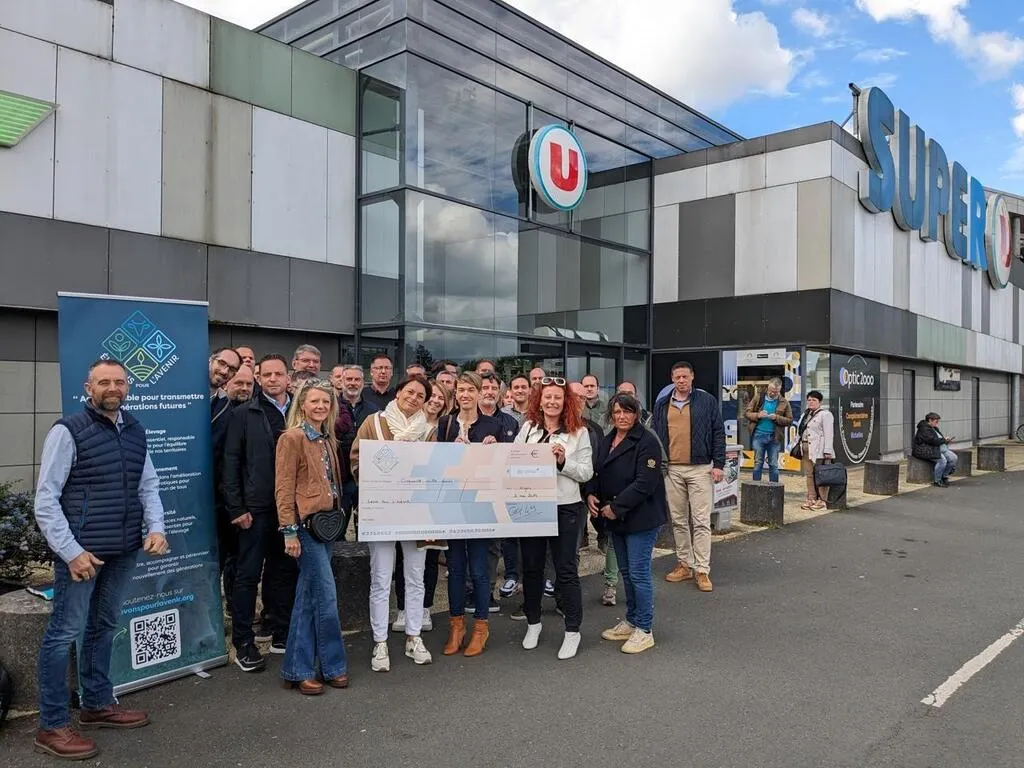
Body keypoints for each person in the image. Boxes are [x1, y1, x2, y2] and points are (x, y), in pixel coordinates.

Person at [33, 360, 169, 760]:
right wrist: (71, 552)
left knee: (103, 625)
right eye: (104, 382)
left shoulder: (135, 429)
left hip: (123, 548)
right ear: (88, 388)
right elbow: (45, 499)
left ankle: (96, 703)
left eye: (119, 382)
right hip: (82, 554)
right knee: (63, 634)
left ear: (128, 387)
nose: (113, 387)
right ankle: (52, 725)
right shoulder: (67, 431)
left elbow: (149, 485)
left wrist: (156, 527)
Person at [350, 377, 437, 671]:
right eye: (409, 392)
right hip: (382, 512)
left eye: (420, 395)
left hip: (416, 513)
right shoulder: (374, 423)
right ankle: (380, 641)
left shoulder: (429, 430)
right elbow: (355, 459)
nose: (413, 398)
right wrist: (382, 474)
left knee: (415, 576)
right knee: (381, 577)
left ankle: (413, 636)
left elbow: (434, 469)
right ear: (398, 393)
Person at [222, 354, 300, 670]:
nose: (272, 379)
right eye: (265, 374)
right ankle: (243, 642)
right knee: (247, 576)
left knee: (284, 573)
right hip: (255, 510)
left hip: (290, 510)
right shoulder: (243, 414)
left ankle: (282, 633)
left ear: (288, 377)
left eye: (277, 374)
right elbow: (230, 463)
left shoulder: (300, 410)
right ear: (258, 377)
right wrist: (236, 507)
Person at [275, 379, 348, 695]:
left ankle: (297, 668)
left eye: (326, 402)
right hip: (304, 530)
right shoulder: (292, 438)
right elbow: (283, 488)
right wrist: (289, 531)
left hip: (327, 526)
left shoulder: (328, 440)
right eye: (315, 401)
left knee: (307, 598)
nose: (321, 406)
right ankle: (333, 665)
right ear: (302, 404)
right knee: (327, 597)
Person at [515, 376, 594, 660]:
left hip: (565, 507)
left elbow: (586, 472)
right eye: (547, 397)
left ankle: (572, 630)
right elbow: (513, 462)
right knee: (533, 569)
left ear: (566, 402)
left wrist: (562, 461)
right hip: (532, 505)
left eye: (557, 398)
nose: (551, 402)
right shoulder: (527, 429)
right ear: (539, 400)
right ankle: (533, 623)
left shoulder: (578, 432)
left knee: (566, 570)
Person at [586, 393, 668, 654]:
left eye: (627, 411)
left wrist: (615, 507)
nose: (622, 416)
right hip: (615, 518)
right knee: (626, 572)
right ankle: (632, 620)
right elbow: (596, 470)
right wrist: (590, 493)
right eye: (617, 412)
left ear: (636, 413)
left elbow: (645, 483)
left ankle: (644, 629)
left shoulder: (647, 441)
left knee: (639, 573)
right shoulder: (608, 439)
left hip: (640, 518)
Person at [438, 372, 507, 657]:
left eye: (470, 390)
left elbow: (503, 470)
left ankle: (481, 626)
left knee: (479, 569)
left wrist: (494, 451)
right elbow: (435, 465)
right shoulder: (445, 424)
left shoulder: (495, 425)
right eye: (460, 390)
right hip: (453, 506)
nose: (465, 395)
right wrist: (448, 452)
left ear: (480, 393)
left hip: (481, 507)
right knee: (455, 569)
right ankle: (457, 626)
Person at [652, 361, 725, 593]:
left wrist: (719, 464)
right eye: (677, 377)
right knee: (678, 520)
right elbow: (656, 435)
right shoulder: (662, 404)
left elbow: (718, 432)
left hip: (700, 468)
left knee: (701, 520)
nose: (681, 381)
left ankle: (702, 569)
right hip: (672, 469)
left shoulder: (707, 402)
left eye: (685, 376)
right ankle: (685, 563)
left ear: (692, 377)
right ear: (672, 379)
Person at [744, 378, 792, 483]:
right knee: (758, 463)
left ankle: (774, 490)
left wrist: (776, 418)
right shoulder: (758, 398)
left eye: (775, 392)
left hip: (774, 437)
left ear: (779, 390)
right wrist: (758, 415)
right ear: (768, 387)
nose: (772, 393)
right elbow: (747, 413)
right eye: (770, 390)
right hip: (758, 435)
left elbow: (789, 420)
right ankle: (755, 487)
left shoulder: (784, 402)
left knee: (773, 464)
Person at [796, 390, 835, 510]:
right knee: (809, 475)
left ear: (820, 402)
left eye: (814, 400)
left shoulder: (825, 414)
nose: (811, 402)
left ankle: (822, 500)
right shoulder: (805, 414)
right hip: (806, 449)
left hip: (820, 450)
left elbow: (829, 433)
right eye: (809, 400)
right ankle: (811, 498)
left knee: (821, 475)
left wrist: (827, 450)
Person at [912, 412, 957, 487]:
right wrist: (944, 440)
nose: (937, 423)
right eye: (936, 421)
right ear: (930, 420)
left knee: (953, 458)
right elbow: (933, 440)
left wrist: (945, 440)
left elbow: (937, 440)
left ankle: (944, 476)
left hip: (936, 448)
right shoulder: (924, 429)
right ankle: (937, 480)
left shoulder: (934, 428)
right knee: (942, 461)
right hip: (925, 449)